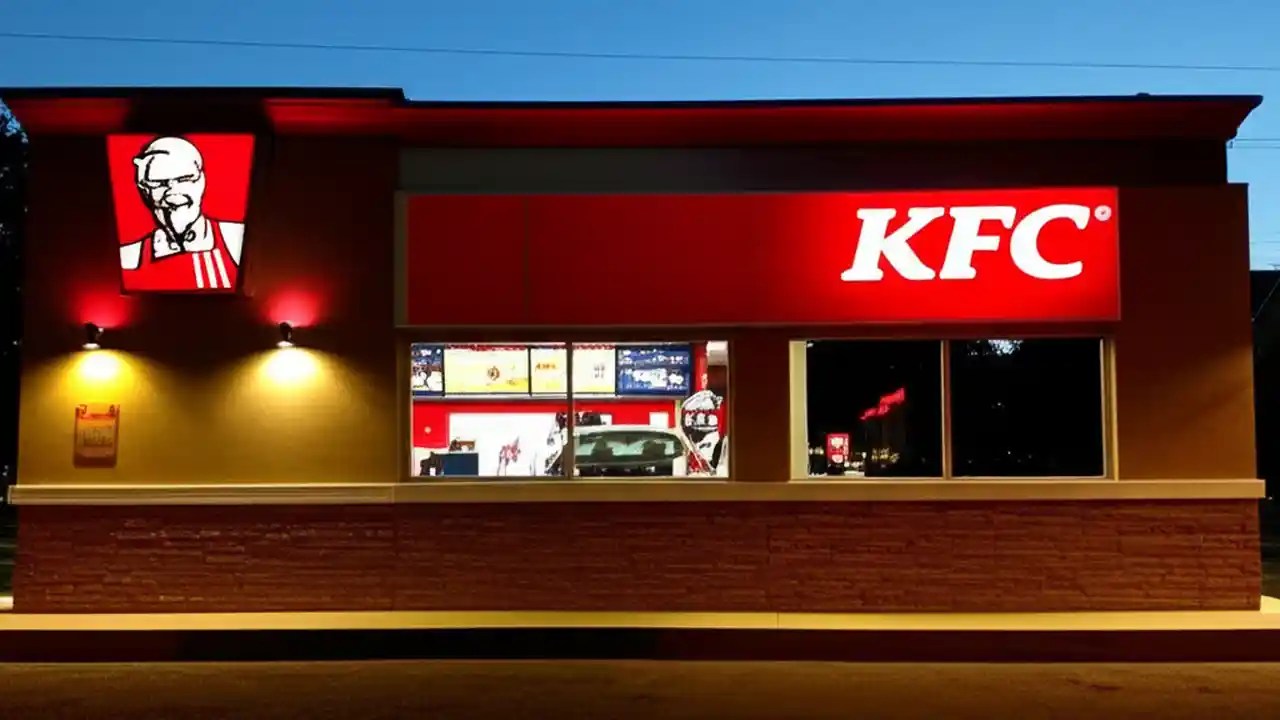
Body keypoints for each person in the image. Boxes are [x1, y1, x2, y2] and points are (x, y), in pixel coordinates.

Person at [119, 136, 245, 292]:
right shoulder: (128, 259)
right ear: (145, 192)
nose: (173, 194)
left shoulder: (236, 239)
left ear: (201, 182)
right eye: (159, 183)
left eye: (184, 179)